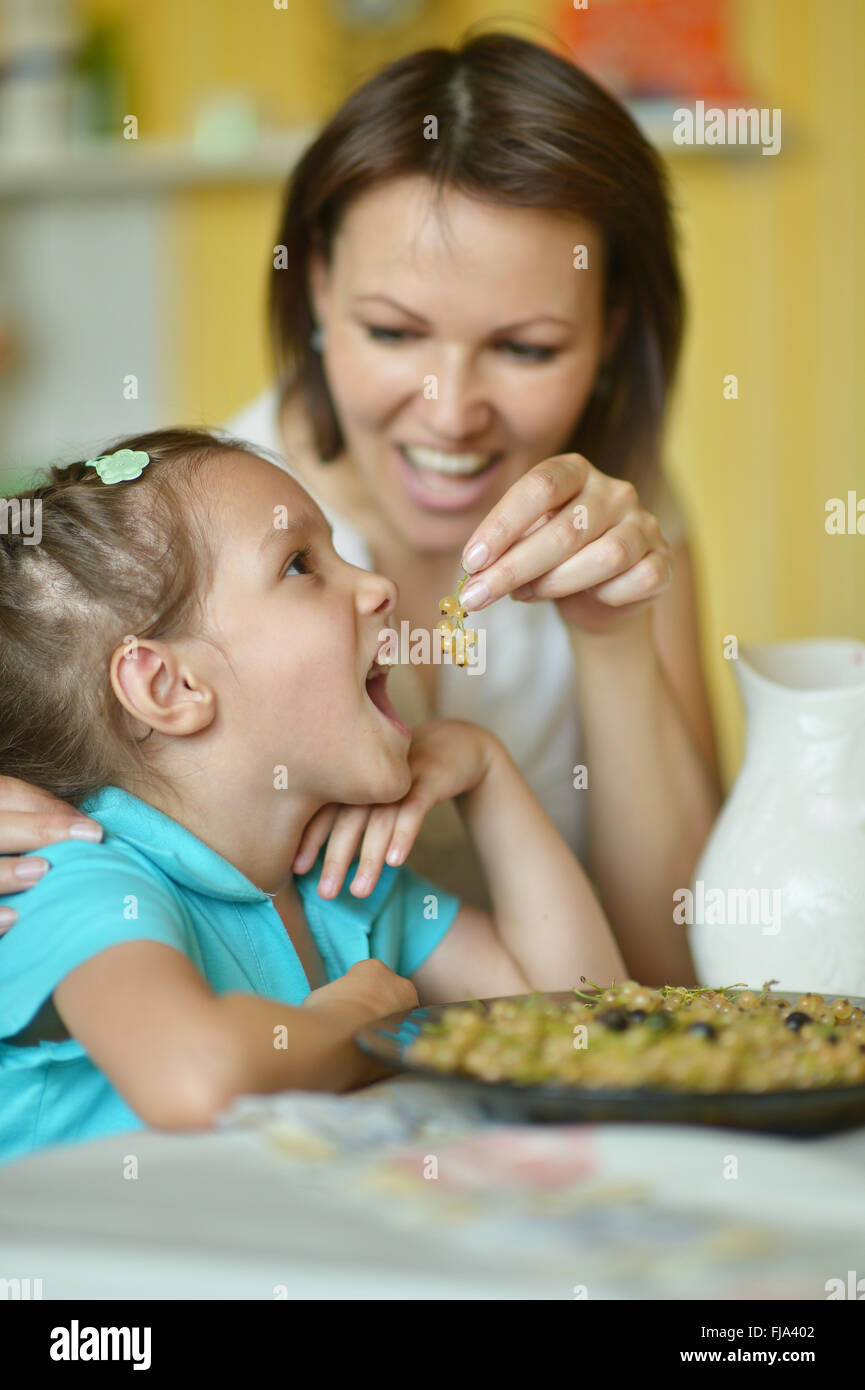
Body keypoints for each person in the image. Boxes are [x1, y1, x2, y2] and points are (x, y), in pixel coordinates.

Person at [0, 33, 721, 984]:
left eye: (526, 349)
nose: (451, 412)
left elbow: (682, 975)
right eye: (393, 332)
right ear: (316, 289)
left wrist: (613, 639)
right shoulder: (182, 549)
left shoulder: (622, 516)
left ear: (612, 328)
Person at [0, 430, 625, 1164]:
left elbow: (585, 1037)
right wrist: (361, 1018)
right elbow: (195, 1079)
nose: (377, 586)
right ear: (169, 687)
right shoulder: (81, 877)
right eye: (301, 564)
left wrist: (489, 775)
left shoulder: (347, 882)